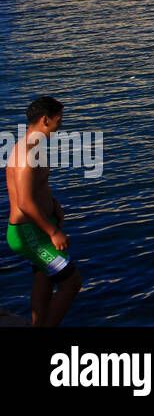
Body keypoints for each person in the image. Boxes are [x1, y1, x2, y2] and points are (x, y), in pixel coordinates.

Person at [6, 97, 82, 326]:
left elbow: (37, 188)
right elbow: (24, 203)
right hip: (29, 232)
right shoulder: (25, 153)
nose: (61, 126)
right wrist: (52, 232)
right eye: (59, 121)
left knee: (44, 278)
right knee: (71, 282)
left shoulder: (36, 147)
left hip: (38, 226)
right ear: (45, 120)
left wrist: (53, 204)